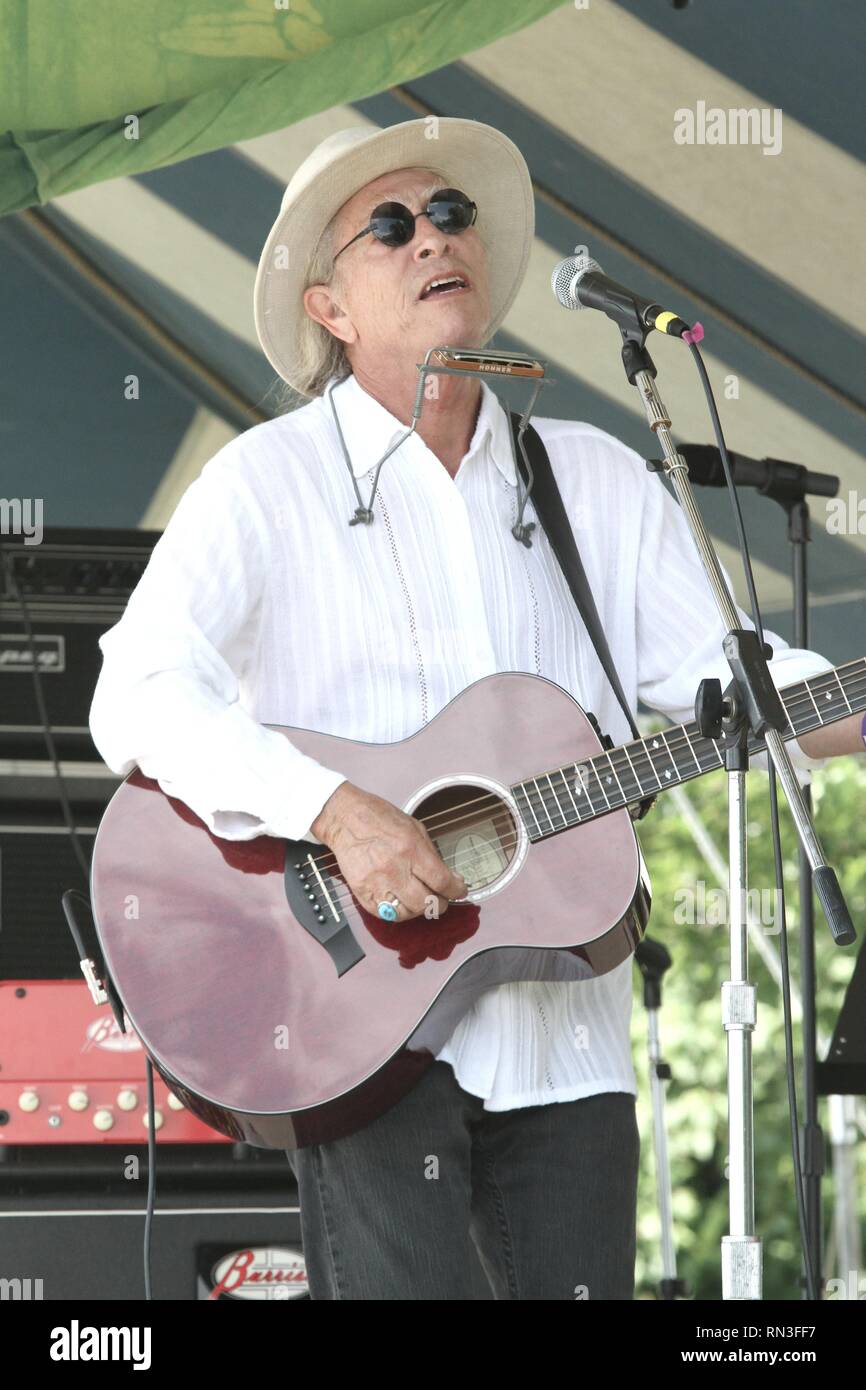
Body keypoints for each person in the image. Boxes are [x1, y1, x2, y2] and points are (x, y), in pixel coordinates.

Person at [89, 118, 865, 1300]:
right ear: (329, 309)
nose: (432, 237)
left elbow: (741, 674)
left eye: (450, 216)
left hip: (568, 1048)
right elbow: (137, 690)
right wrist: (336, 810)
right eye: (389, 227)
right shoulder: (262, 484)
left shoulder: (592, 478)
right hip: (357, 1022)